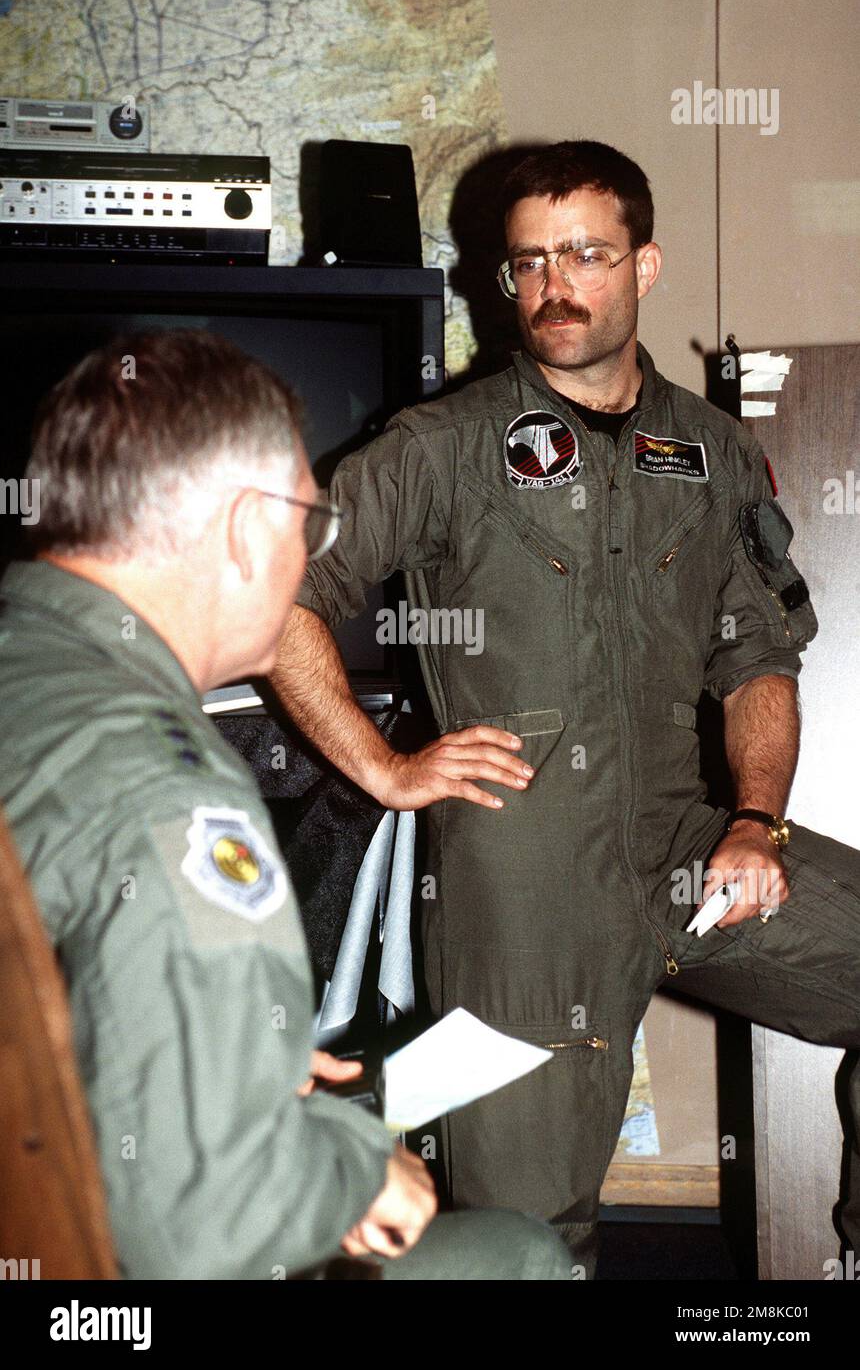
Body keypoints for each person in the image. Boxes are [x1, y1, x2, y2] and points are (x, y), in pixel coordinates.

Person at [271, 140, 860, 1276]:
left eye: (585, 254)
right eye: (528, 261)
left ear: (643, 266)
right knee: (527, 1229)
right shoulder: (438, 447)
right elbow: (281, 591)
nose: (554, 284)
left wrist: (753, 821)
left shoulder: (711, 447)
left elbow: (758, 658)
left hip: (683, 849)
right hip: (523, 880)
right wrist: (384, 771)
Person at [0, 329, 570, 1281]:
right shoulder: (172, 797)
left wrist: (200, 1051)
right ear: (240, 530)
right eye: (310, 529)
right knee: (518, 1253)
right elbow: (203, 1227)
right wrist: (353, 1172)